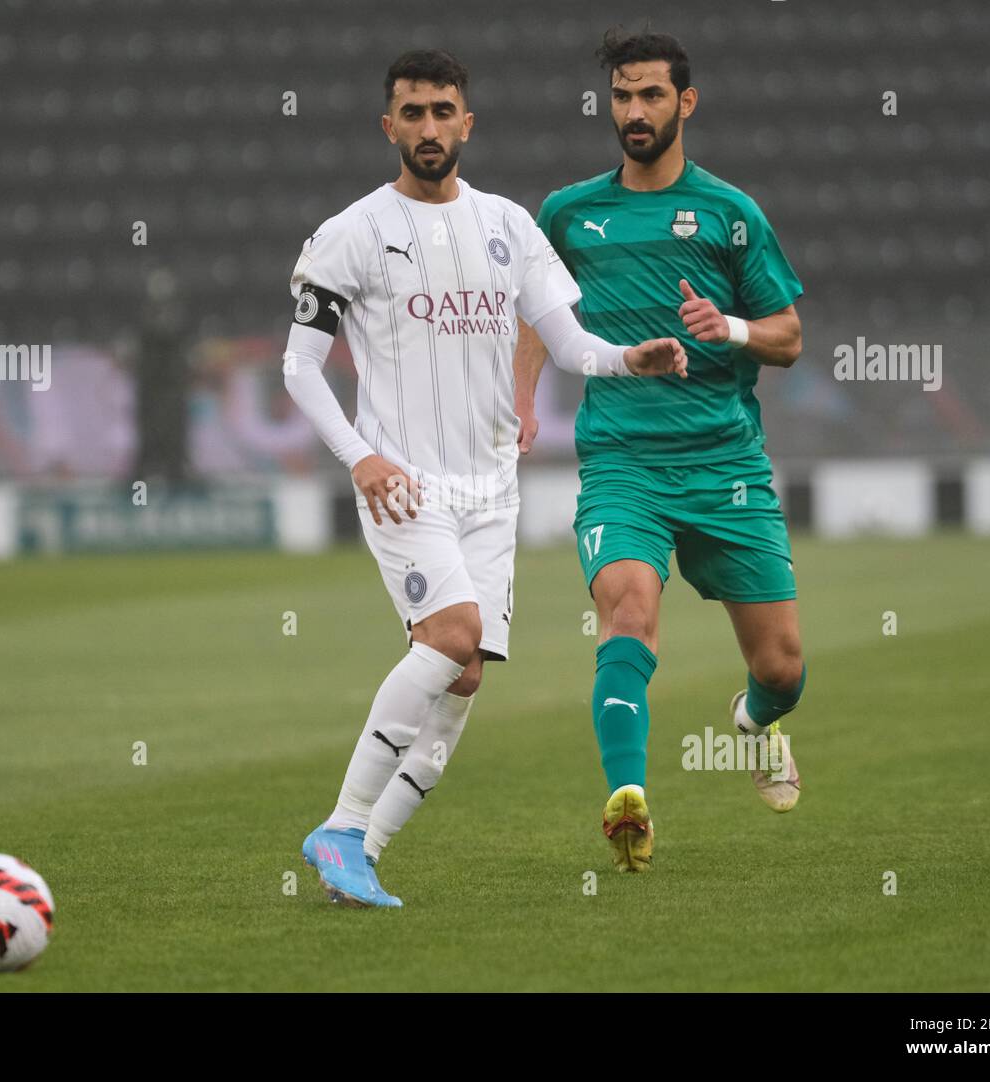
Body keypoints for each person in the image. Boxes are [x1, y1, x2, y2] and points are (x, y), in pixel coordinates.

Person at [283, 48, 688, 906]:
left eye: (442, 112)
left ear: (467, 122)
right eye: (412, 113)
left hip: (491, 490)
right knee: (452, 635)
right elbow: (298, 368)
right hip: (406, 484)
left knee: (462, 678)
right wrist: (362, 458)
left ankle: (363, 854)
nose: (428, 128)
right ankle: (343, 826)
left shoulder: (507, 224)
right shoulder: (351, 232)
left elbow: (570, 345)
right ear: (388, 126)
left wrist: (630, 359)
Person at [515, 29, 807, 873]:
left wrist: (734, 328)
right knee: (629, 615)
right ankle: (628, 801)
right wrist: (522, 403)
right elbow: (540, 317)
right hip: (622, 464)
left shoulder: (730, 213)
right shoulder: (567, 214)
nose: (632, 112)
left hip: (726, 467)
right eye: (620, 96)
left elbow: (789, 338)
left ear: (687, 102)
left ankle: (754, 724)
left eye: (650, 96)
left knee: (784, 670)